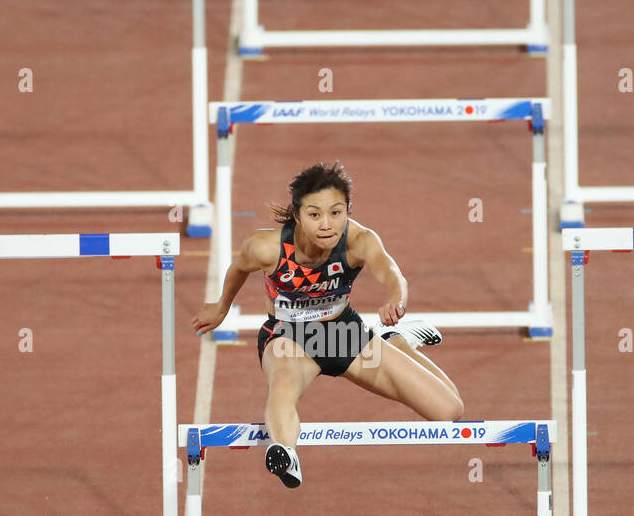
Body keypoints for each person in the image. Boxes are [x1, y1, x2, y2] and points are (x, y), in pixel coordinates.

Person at [192, 161, 464, 488]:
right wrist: (222, 307)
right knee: (283, 384)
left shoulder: (359, 241)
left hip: (344, 334)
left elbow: (393, 273)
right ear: (297, 214)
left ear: (347, 210)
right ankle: (285, 451)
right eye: (315, 214)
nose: (326, 225)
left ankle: (395, 340)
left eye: (336, 213)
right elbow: (238, 269)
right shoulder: (266, 247)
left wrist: (397, 301)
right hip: (287, 336)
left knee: (448, 411)